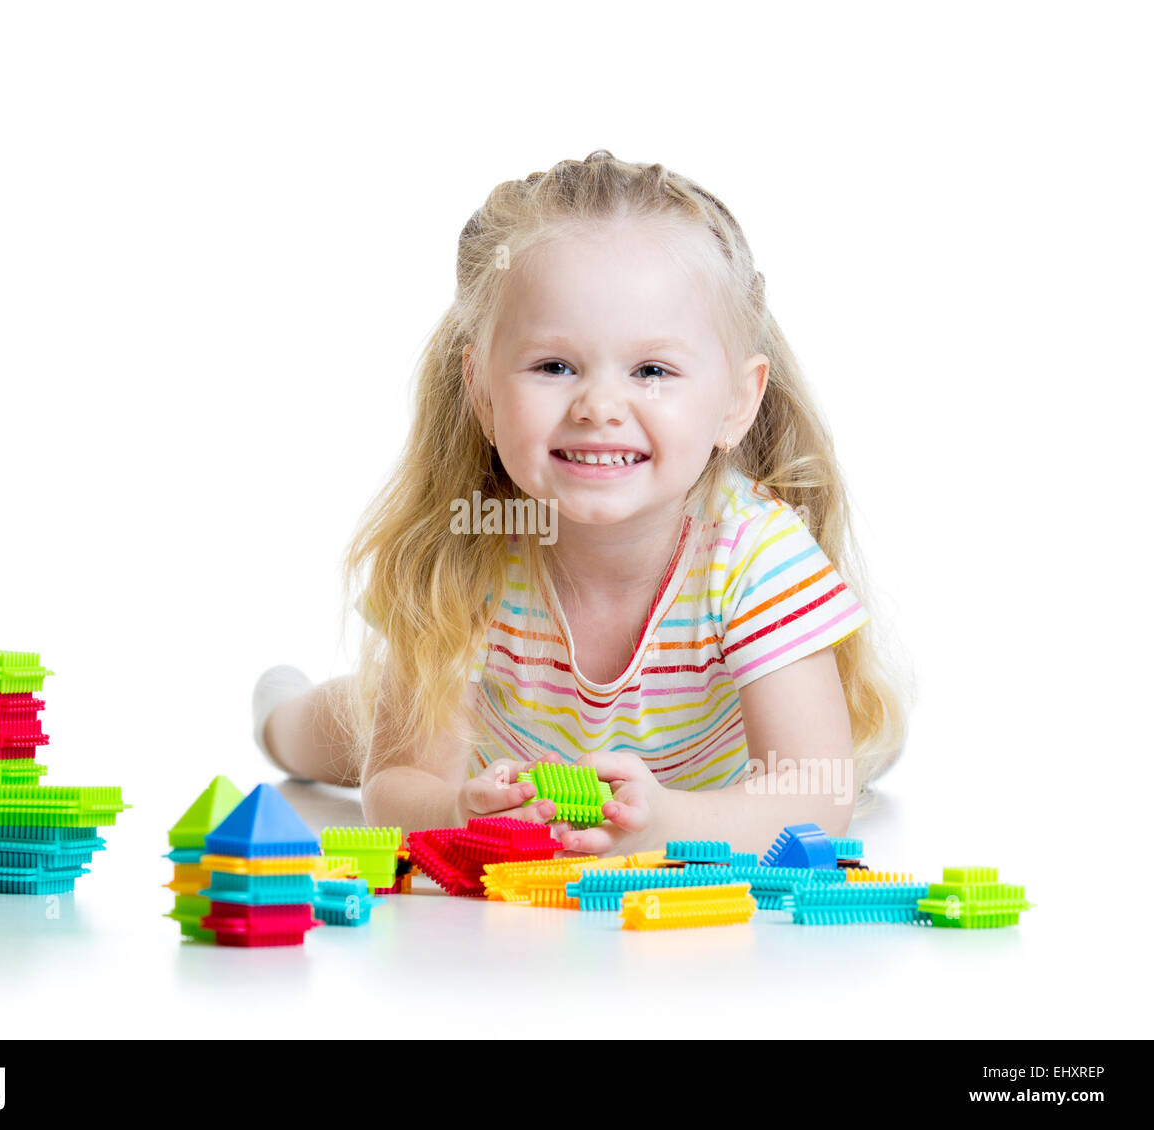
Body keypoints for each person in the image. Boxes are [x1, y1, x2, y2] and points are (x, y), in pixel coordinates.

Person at [253, 150, 910, 857]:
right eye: (554, 366)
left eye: (652, 370)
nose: (599, 406)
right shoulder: (471, 547)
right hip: (496, 750)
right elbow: (396, 783)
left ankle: (869, 737)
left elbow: (812, 799)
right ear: (481, 389)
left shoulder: (755, 557)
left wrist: (667, 824)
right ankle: (278, 716)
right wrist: (455, 807)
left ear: (737, 402)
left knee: (849, 753)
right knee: (341, 729)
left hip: (702, 789)